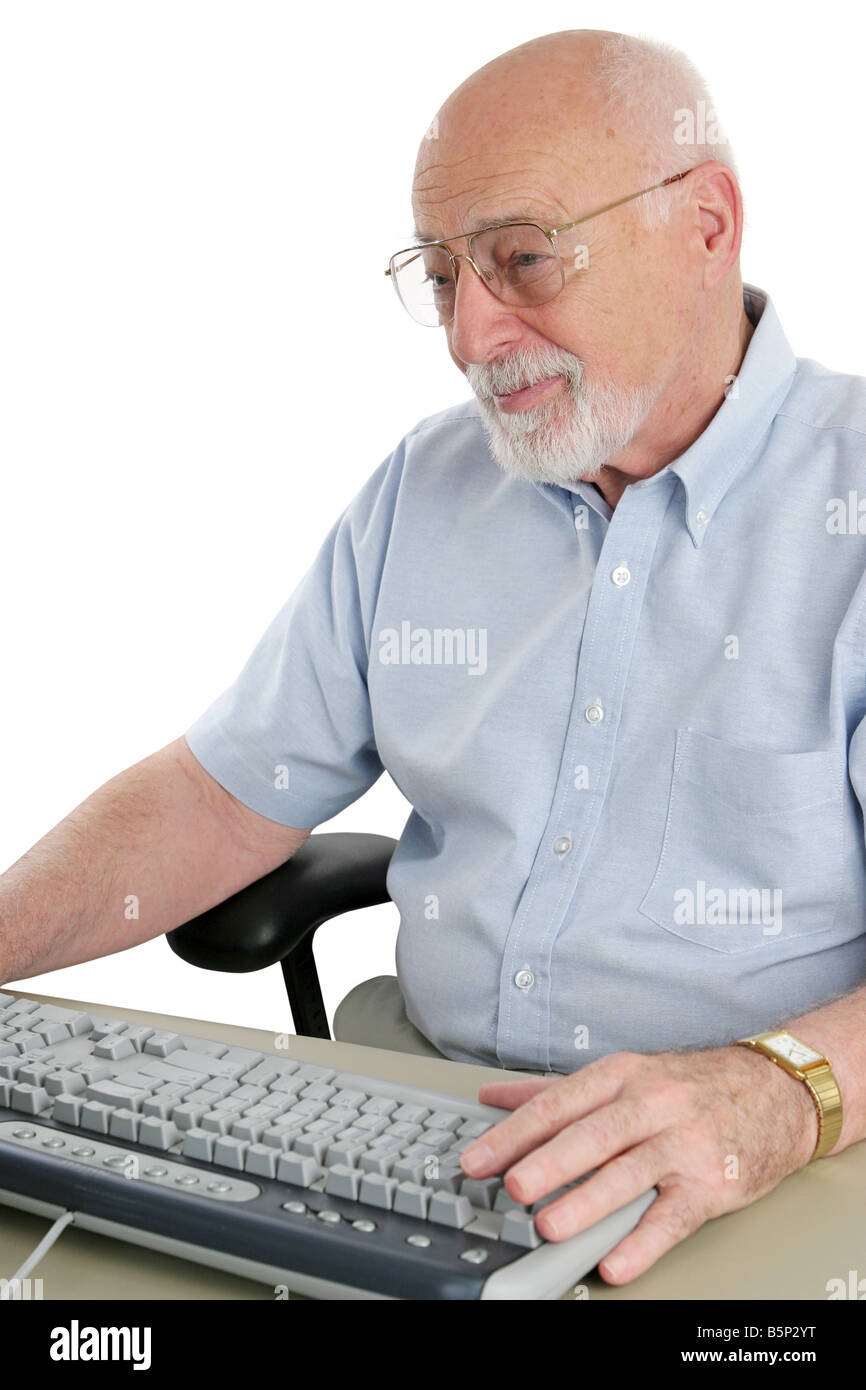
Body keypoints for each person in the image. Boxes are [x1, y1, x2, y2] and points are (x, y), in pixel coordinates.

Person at [3, 29, 865, 1285]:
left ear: (704, 223)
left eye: (520, 258)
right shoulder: (428, 485)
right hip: (410, 1111)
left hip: (761, 1157)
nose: (471, 333)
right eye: (442, 274)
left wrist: (776, 1096)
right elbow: (215, 794)